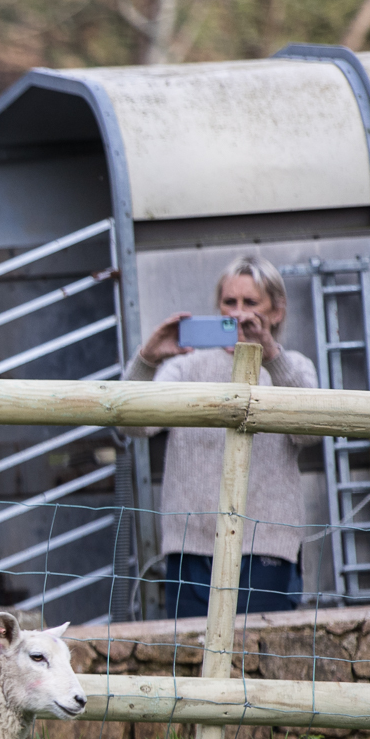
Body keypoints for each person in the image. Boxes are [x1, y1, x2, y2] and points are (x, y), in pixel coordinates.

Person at [124, 255, 316, 619]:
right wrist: (147, 359)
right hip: (191, 550)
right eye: (230, 302)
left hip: (266, 549)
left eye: (251, 303)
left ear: (276, 312)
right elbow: (134, 425)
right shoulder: (185, 367)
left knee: (260, 664)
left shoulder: (294, 366)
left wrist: (269, 355)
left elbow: (308, 432)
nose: (239, 314)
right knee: (193, 667)